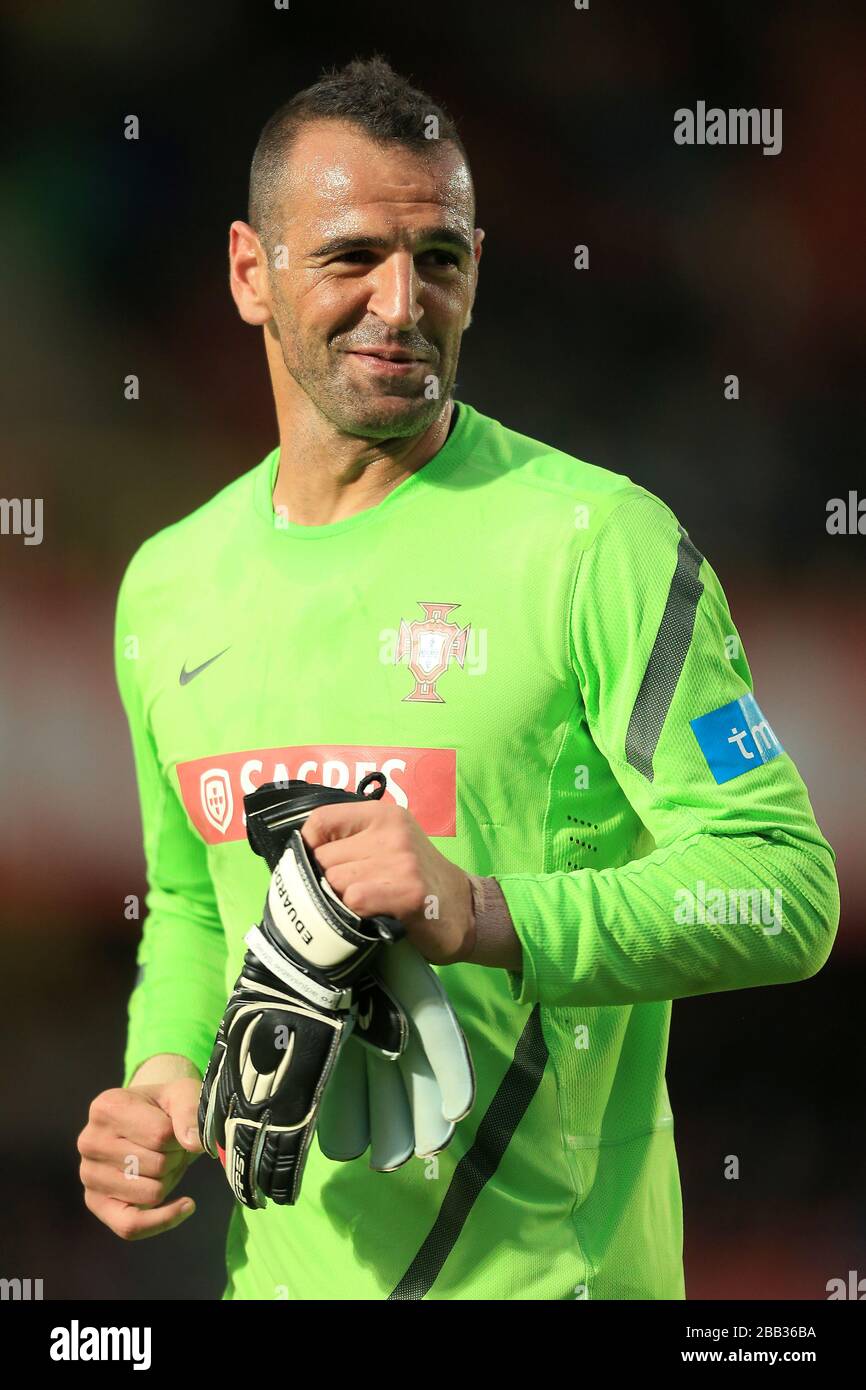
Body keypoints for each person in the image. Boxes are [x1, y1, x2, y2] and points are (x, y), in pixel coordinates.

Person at [77, 55, 839, 1300]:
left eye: (437, 257)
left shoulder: (595, 544)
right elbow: (190, 902)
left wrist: (480, 909)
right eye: (351, 257)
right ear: (249, 272)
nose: (400, 303)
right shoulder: (167, 585)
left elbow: (782, 891)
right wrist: (160, 1072)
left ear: (476, 268)